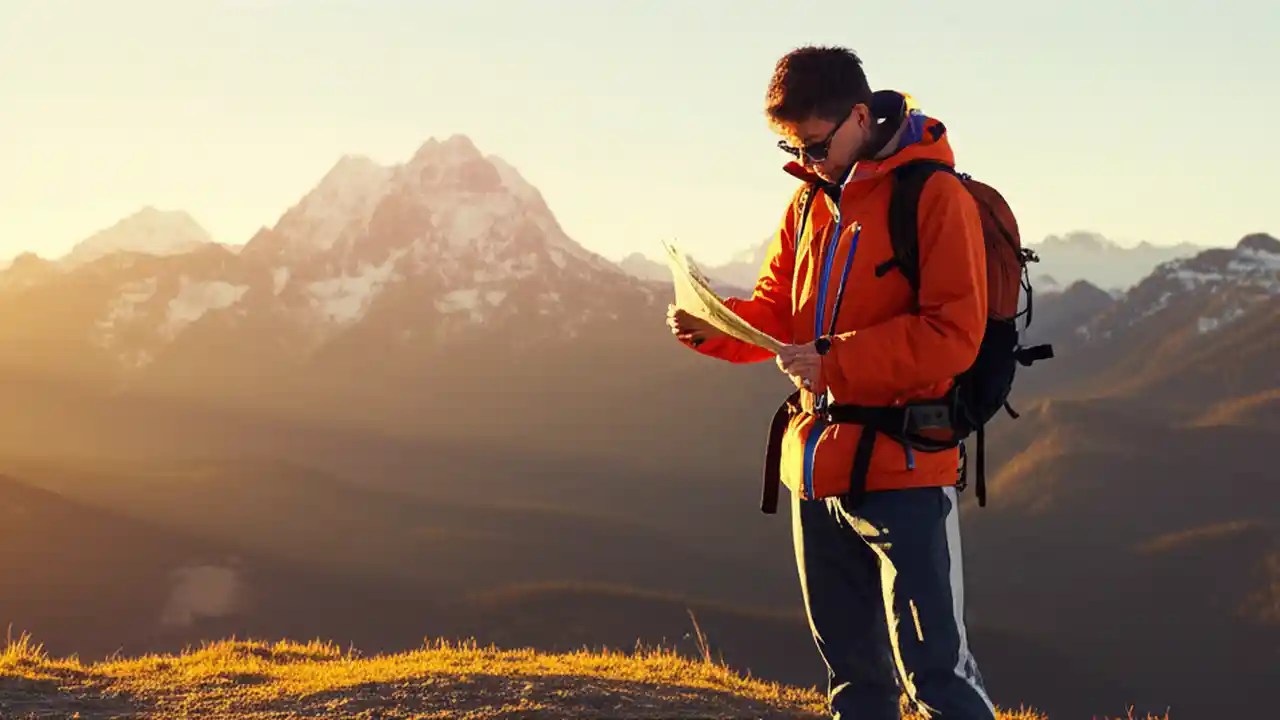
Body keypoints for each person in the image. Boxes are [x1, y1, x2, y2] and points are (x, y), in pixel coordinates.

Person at [667, 46, 997, 720]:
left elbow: (953, 336)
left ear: (857, 116)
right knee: (852, 681)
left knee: (937, 677)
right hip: (816, 470)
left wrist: (836, 360)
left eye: (814, 145)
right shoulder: (809, 203)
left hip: (905, 469)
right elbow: (778, 312)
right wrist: (713, 328)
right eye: (791, 147)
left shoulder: (933, 196)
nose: (807, 160)